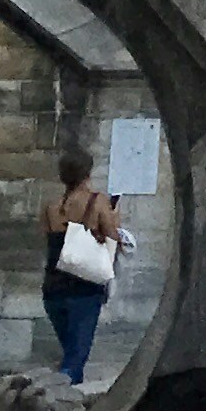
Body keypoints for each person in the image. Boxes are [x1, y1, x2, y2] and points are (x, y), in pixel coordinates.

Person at [42, 152, 125, 386]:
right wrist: (115, 219)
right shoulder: (97, 201)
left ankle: (63, 393)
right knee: (75, 360)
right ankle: (61, 398)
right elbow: (113, 238)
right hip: (84, 288)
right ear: (87, 173)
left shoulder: (50, 207)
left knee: (70, 353)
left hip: (52, 287)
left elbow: (50, 241)